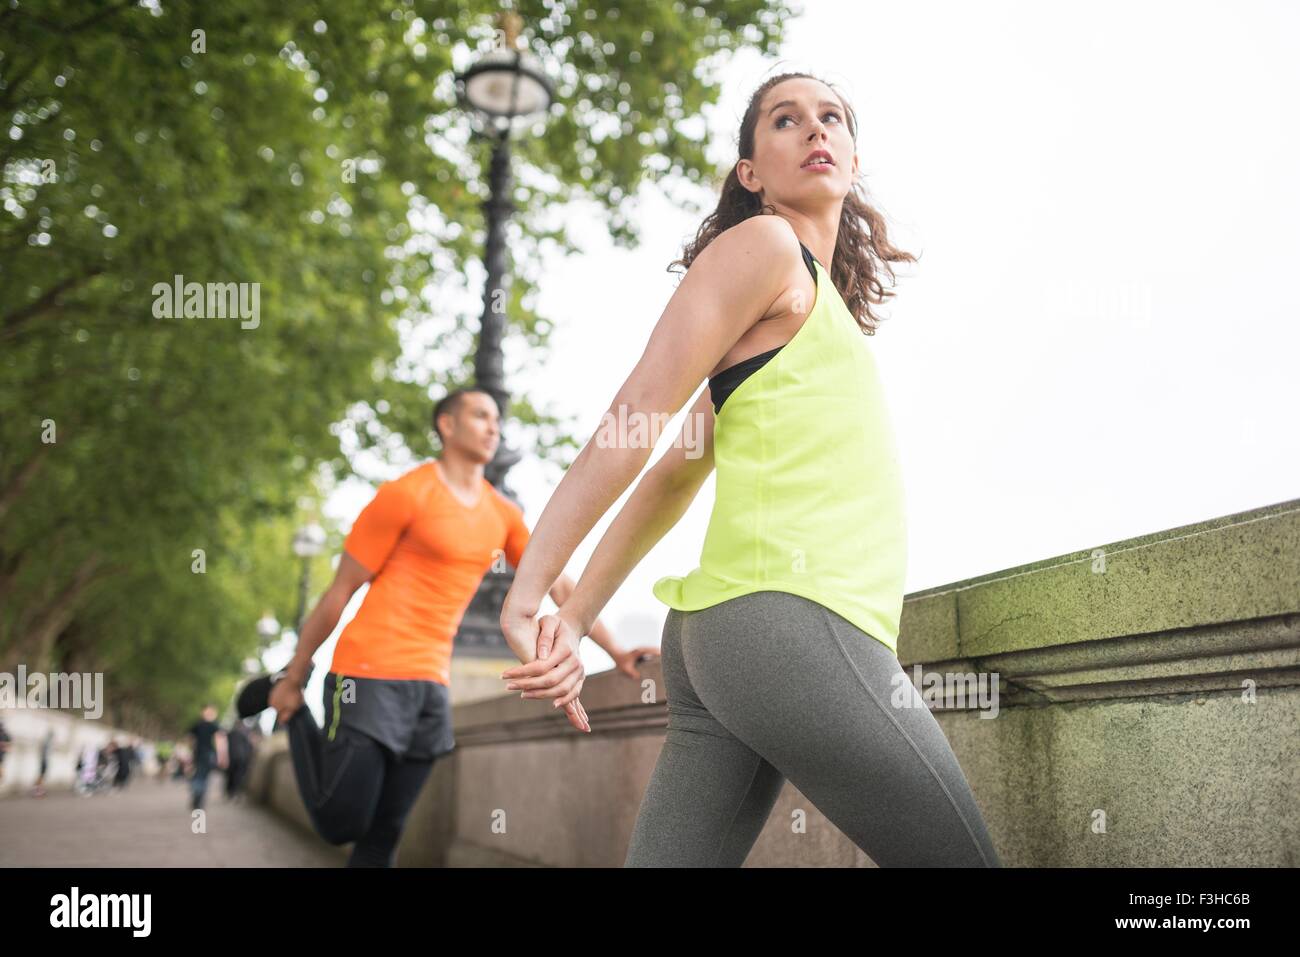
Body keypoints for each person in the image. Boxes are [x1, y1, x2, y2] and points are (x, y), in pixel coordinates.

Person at [499, 72, 1002, 868]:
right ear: (751, 172)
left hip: (724, 642)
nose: (814, 130)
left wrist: (578, 613)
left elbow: (672, 475)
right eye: (785, 120)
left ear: (853, 155)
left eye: (831, 118)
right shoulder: (767, 247)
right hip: (790, 622)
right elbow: (637, 414)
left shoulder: (807, 305)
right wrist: (534, 590)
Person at [236, 388, 655, 867]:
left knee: (384, 836)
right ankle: (288, 706)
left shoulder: (502, 514)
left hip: (431, 685)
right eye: (480, 415)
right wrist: (296, 676)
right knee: (343, 824)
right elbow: (339, 592)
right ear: (447, 426)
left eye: (497, 419)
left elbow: (559, 583)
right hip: (368, 673)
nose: (493, 427)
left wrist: (616, 650)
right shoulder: (405, 495)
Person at [186, 706, 224, 812]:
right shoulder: (214, 726)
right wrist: (222, 757)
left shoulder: (197, 725)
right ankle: (199, 800)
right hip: (208, 754)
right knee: (204, 778)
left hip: (197, 754)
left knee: (198, 775)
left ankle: (196, 794)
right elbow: (219, 742)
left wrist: (190, 751)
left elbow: (190, 739)